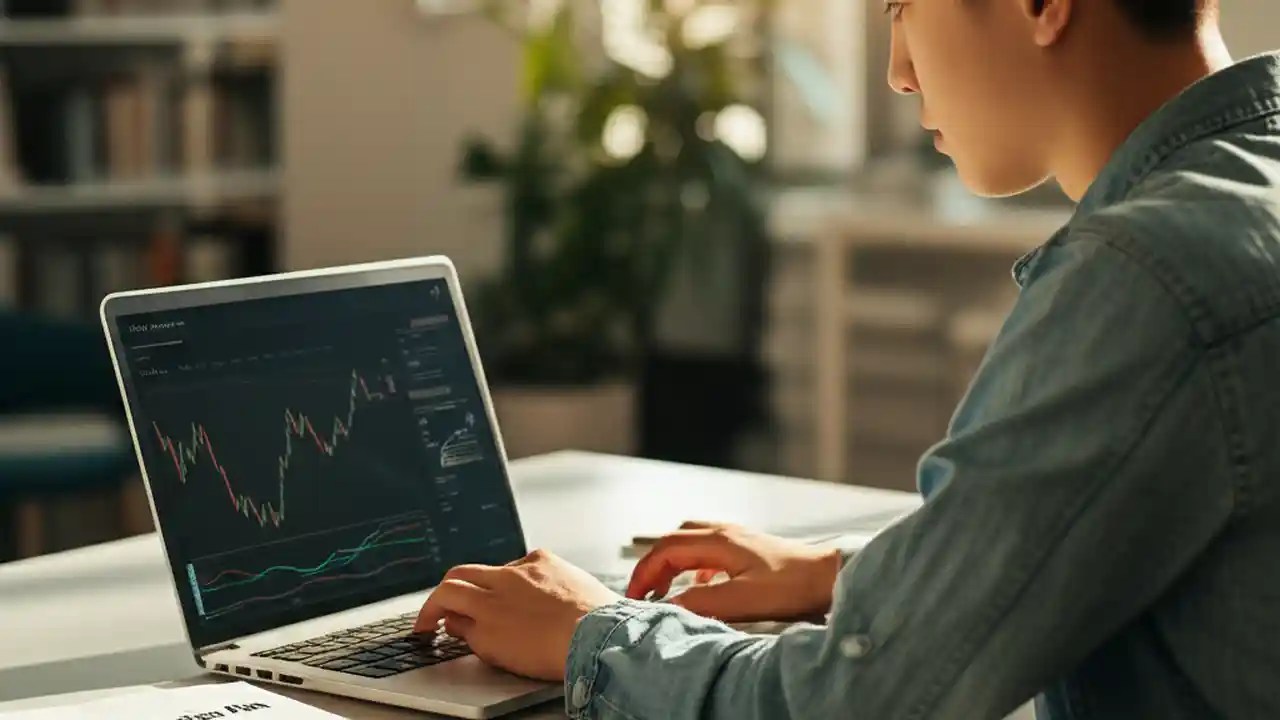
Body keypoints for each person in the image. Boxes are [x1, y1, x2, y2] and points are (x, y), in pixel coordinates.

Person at [415, 0, 1280, 717]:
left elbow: (857, 702)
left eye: (903, 6)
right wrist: (846, 575)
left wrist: (590, 634)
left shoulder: (1148, 279)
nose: (898, 70)